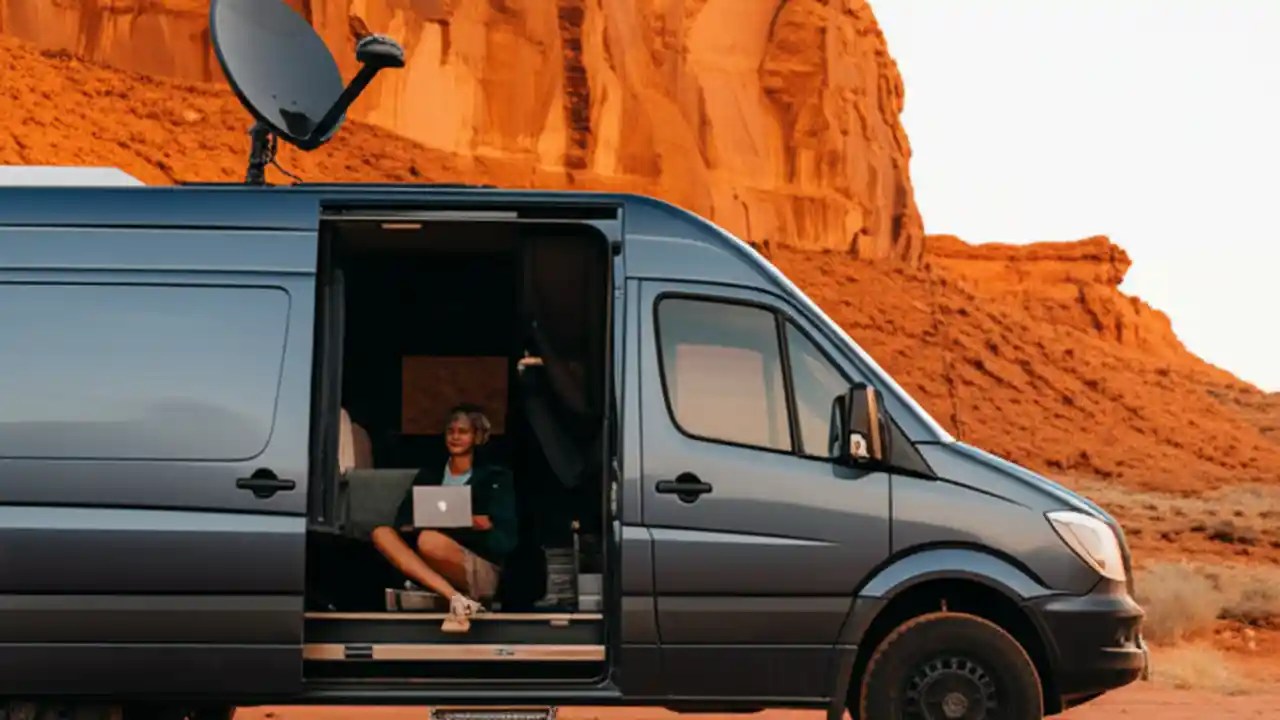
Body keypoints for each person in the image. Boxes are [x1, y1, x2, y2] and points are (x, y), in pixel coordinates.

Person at [371, 403, 518, 632]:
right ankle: (457, 599)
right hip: (428, 563)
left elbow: (506, 541)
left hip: (477, 567)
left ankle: (457, 597)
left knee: (430, 540)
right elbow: (402, 521)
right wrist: (414, 524)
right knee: (381, 533)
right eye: (451, 431)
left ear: (478, 437)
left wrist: (471, 525)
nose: (455, 437)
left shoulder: (496, 478)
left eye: (463, 432)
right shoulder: (429, 475)